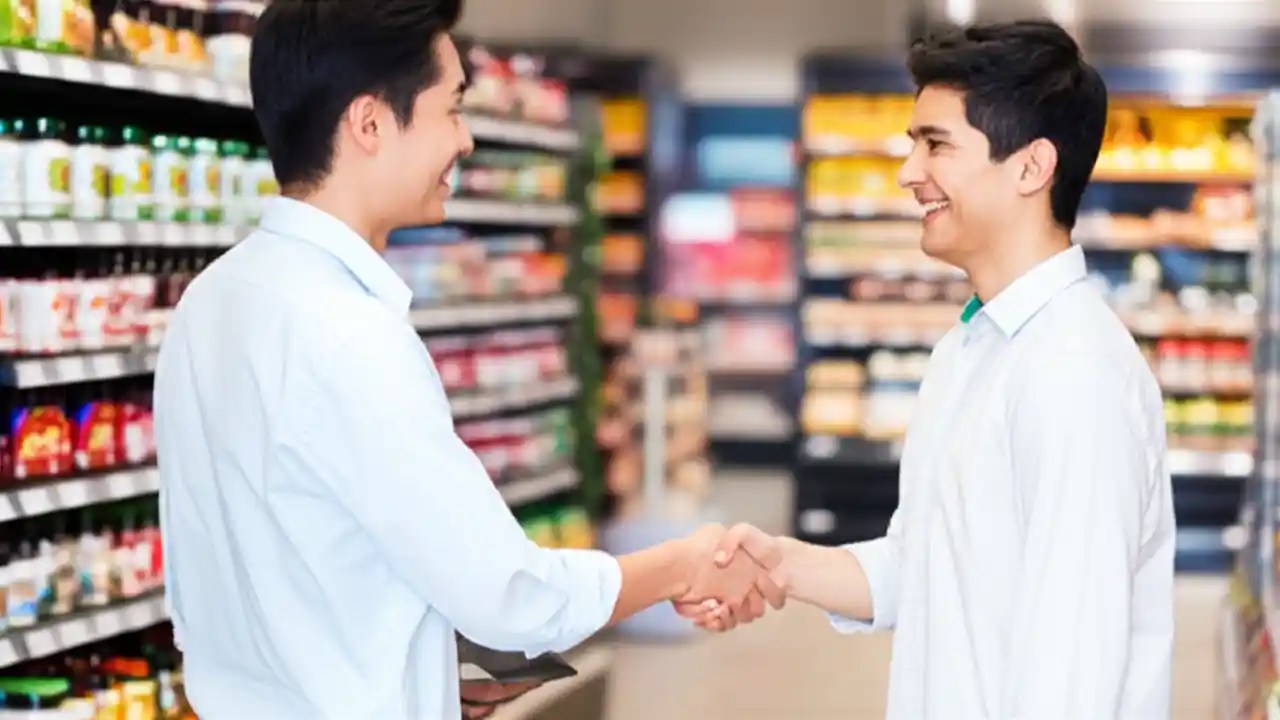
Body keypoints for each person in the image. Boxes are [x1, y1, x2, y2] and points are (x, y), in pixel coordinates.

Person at [153, 1, 780, 718]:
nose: (467, 140)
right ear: (369, 124)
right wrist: (680, 563)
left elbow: (276, 560)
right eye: (451, 109)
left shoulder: (208, 302)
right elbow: (510, 597)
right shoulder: (350, 334)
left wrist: (425, 663)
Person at [684, 19, 1175, 719]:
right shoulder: (971, 348)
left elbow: (1071, 678)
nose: (909, 172)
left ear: (1032, 168)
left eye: (936, 144)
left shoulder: (1075, 373)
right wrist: (784, 564)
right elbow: (926, 563)